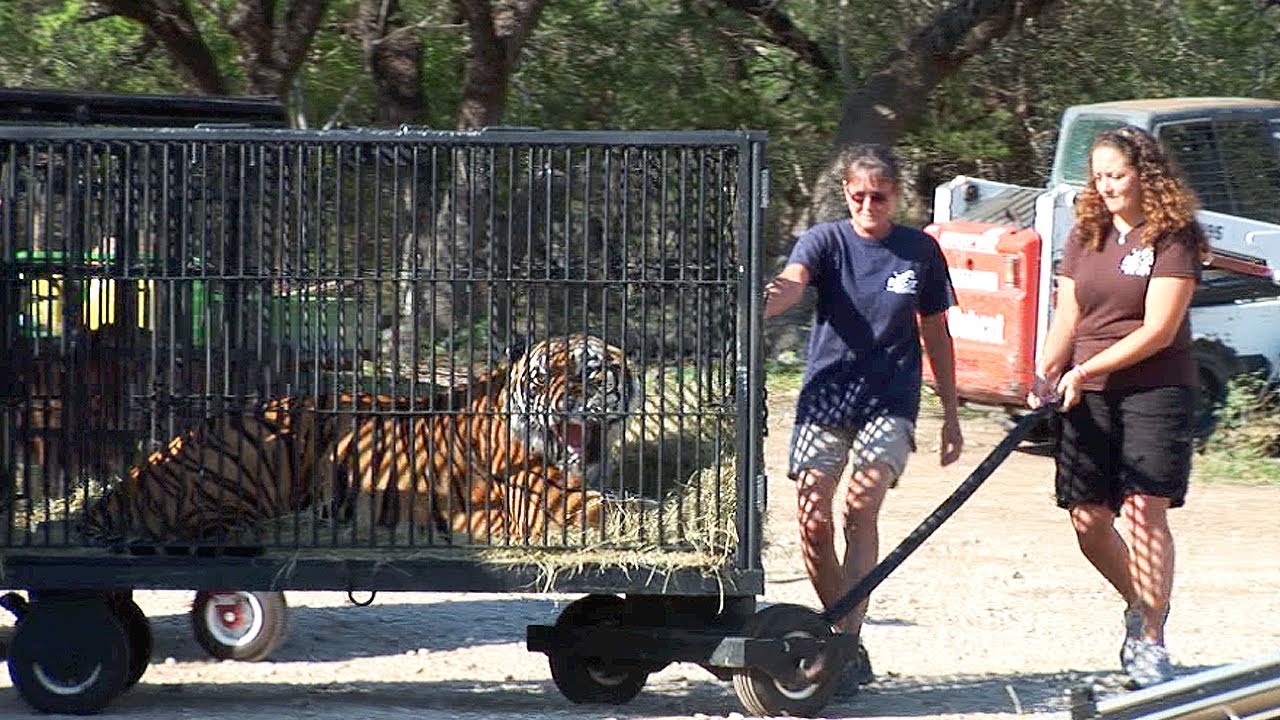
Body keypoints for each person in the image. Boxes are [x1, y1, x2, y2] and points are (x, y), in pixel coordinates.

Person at [764, 143, 964, 695]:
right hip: (827, 395)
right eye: (858, 196)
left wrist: (949, 412)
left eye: (879, 196)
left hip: (889, 399)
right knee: (813, 519)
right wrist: (761, 298)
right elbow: (792, 282)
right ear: (847, 195)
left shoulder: (919, 250)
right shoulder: (825, 240)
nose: (868, 205)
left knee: (860, 507)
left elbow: (936, 334)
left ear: (896, 195)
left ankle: (843, 639)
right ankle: (841, 633)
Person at [1029, 125, 1206, 689]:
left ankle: (1151, 639)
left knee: (1144, 510)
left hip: (1156, 388)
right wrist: (1047, 370)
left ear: (1145, 175)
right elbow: (1067, 316)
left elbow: (1159, 329)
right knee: (1087, 520)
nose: (1105, 186)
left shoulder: (1173, 236)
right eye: (1098, 176)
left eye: (1117, 175)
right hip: (1088, 391)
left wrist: (1085, 370)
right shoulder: (1086, 235)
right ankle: (1141, 603)